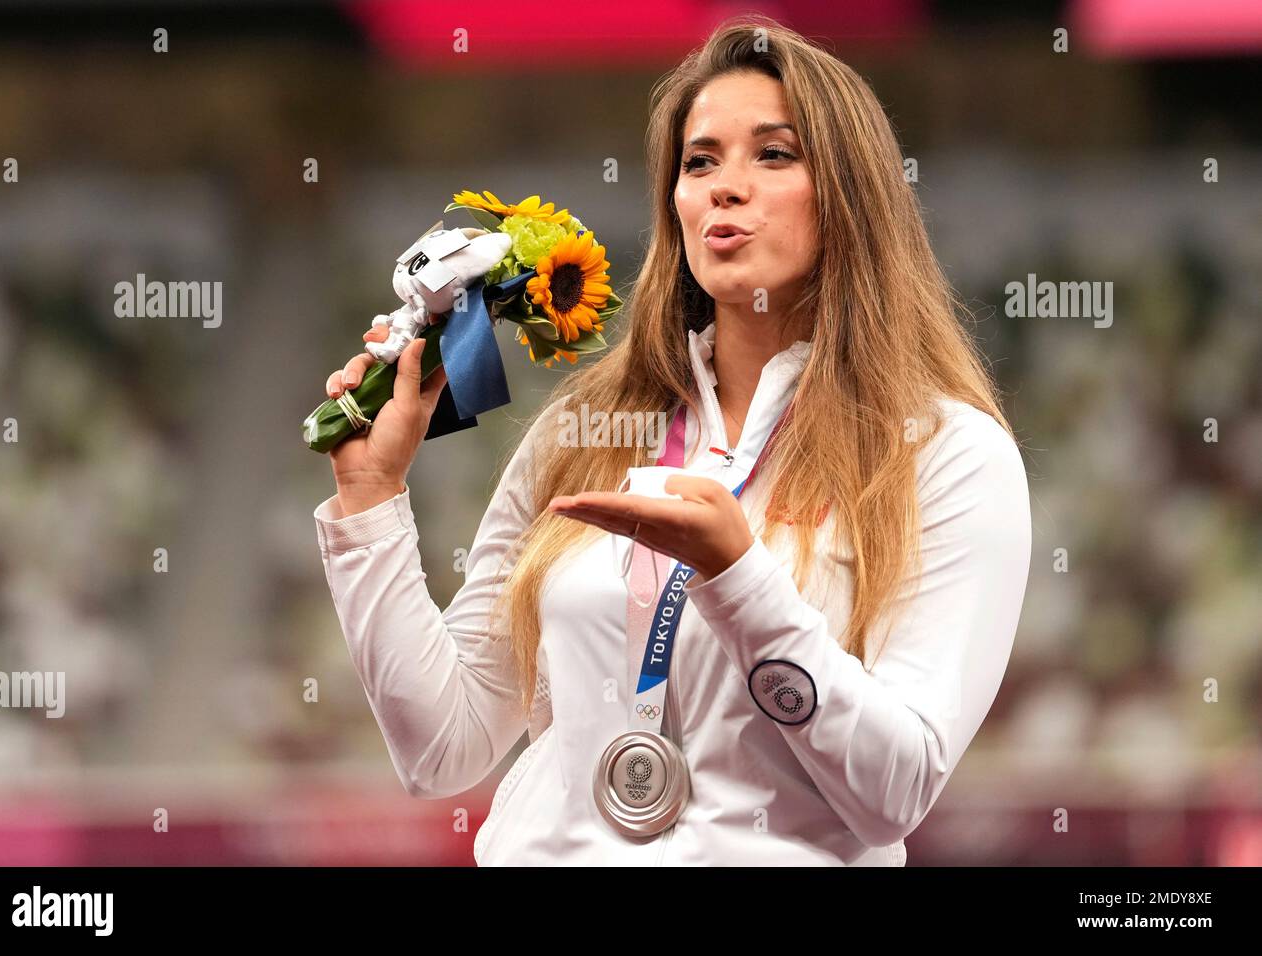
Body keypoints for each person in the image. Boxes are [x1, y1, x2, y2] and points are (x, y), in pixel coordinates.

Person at [312, 15, 1031, 866]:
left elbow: (894, 793)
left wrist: (741, 580)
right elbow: (442, 748)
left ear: (849, 193)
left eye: (774, 154)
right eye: (700, 161)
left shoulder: (945, 454)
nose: (725, 187)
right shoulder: (583, 433)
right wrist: (371, 498)